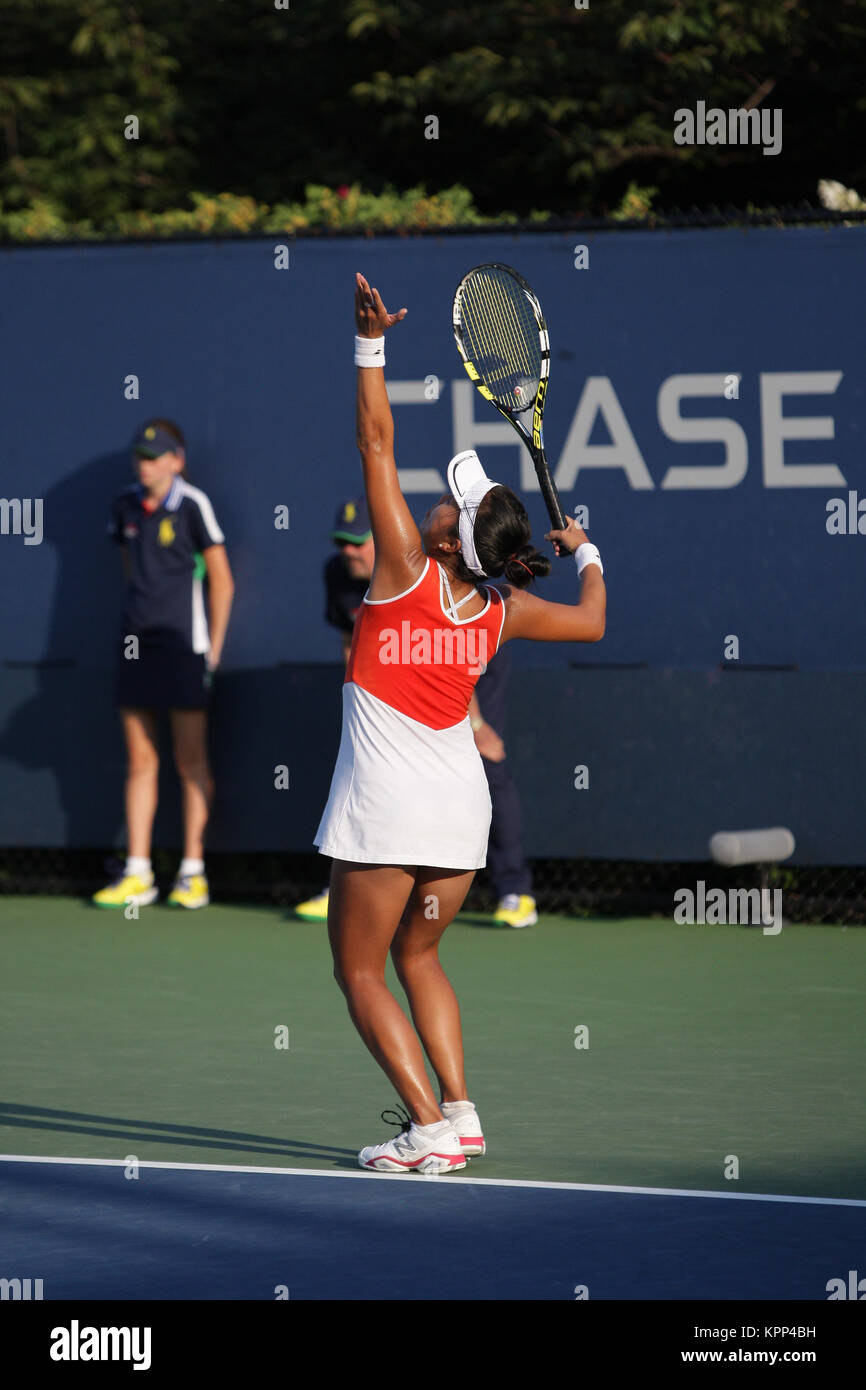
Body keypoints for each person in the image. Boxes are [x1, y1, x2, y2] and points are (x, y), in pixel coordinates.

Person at [315, 274, 606, 1173]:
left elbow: (373, 437)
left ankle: (430, 1127)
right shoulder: (503, 608)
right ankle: (463, 1114)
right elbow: (592, 620)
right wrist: (587, 550)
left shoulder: (402, 565)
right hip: (459, 818)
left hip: (390, 814)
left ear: (446, 540)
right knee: (422, 955)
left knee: (360, 970)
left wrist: (371, 344)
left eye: (452, 504)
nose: (440, 501)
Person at [295, 498, 537, 928]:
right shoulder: (338, 574)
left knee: (486, 760)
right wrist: (361, 695)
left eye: (357, 543)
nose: (348, 551)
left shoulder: (412, 571)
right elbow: (354, 640)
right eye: (341, 543)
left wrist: (476, 723)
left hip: (467, 655)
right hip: (404, 669)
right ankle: (351, 880)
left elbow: (449, 660)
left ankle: (515, 891)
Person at [93, 420, 234, 910]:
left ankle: (193, 872)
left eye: (155, 457)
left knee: (189, 759)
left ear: (177, 459)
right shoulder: (125, 505)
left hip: (184, 649)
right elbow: (134, 570)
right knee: (140, 760)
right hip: (135, 644)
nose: (145, 464)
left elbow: (222, 580)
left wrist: (211, 648)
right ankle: (139, 872)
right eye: (140, 456)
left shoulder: (194, 505)